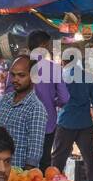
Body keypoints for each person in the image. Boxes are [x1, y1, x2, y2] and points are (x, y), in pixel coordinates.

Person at [51, 54, 93, 181]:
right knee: (90, 157)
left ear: (63, 61)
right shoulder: (88, 76)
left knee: (58, 157)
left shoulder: (61, 76)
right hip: (84, 122)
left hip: (66, 121)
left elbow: (56, 98)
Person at [0, 55, 49, 169]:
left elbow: (34, 154)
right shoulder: (5, 99)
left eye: (21, 75)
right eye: (13, 75)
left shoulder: (36, 108)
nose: (15, 79)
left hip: (18, 177)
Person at [29, 31, 71, 171]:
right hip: (47, 121)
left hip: (23, 121)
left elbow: (9, 93)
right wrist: (54, 102)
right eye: (47, 45)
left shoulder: (18, 65)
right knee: (44, 160)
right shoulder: (54, 68)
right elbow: (65, 98)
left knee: (21, 161)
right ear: (43, 46)